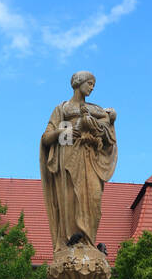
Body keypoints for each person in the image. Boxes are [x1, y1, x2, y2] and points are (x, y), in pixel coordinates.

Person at [39, 71, 117, 254]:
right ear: (79, 83)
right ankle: (72, 242)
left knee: (94, 198)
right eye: (89, 83)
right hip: (68, 159)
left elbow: (107, 127)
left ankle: (89, 243)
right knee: (71, 199)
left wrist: (110, 119)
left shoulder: (95, 109)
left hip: (91, 158)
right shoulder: (62, 109)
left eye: (93, 85)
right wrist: (66, 130)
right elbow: (46, 138)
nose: (91, 88)